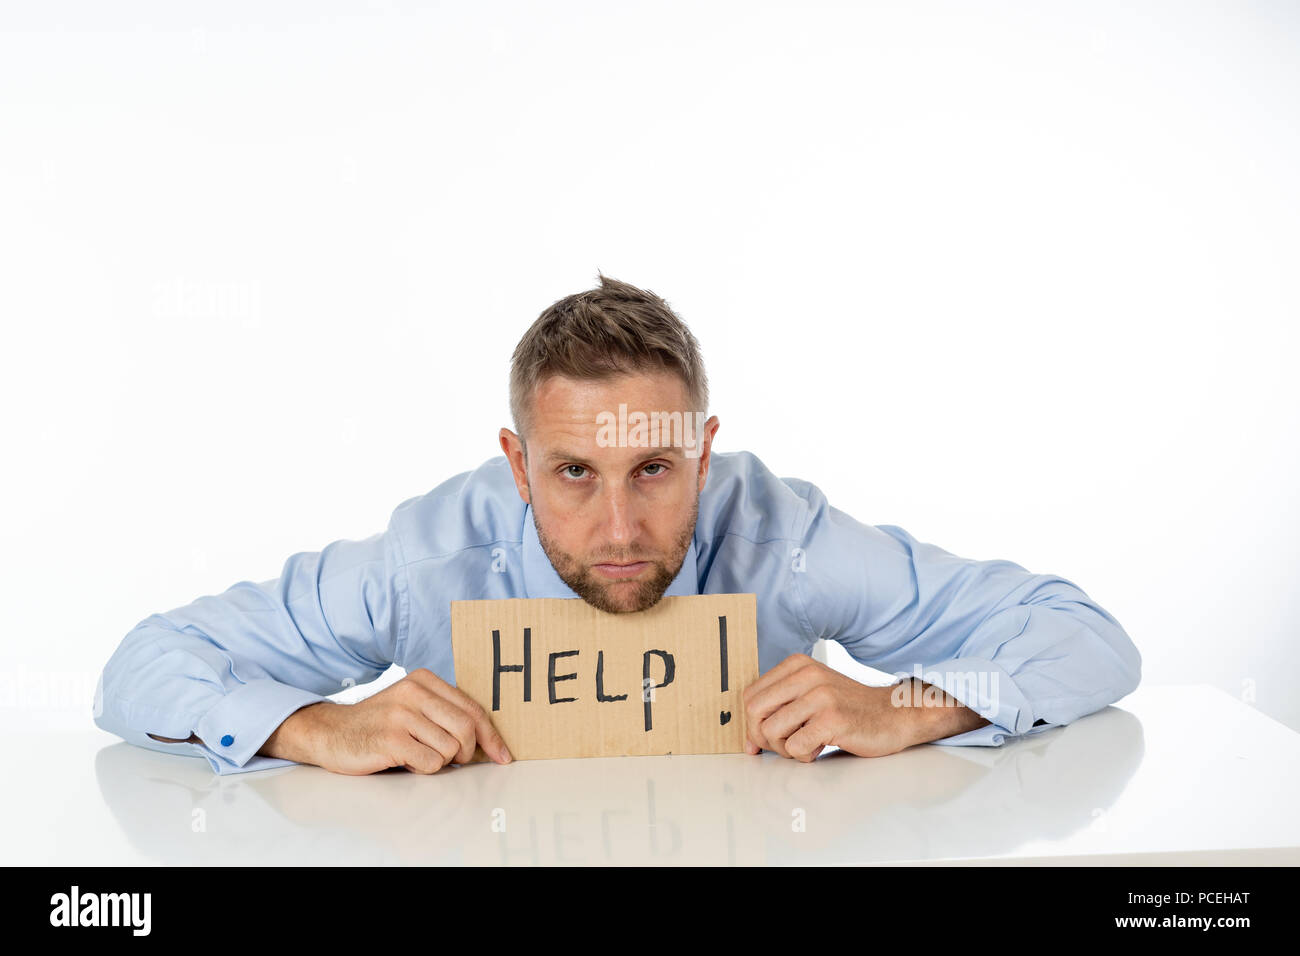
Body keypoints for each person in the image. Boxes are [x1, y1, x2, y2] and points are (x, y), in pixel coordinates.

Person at [93, 273, 1141, 776]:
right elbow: (142, 664)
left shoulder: (786, 535)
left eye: (654, 467)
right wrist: (316, 724)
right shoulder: (426, 559)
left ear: (705, 447)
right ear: (515, 464)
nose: (618, 526)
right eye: (571, 473)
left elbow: (1084, 632)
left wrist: (909, 705)